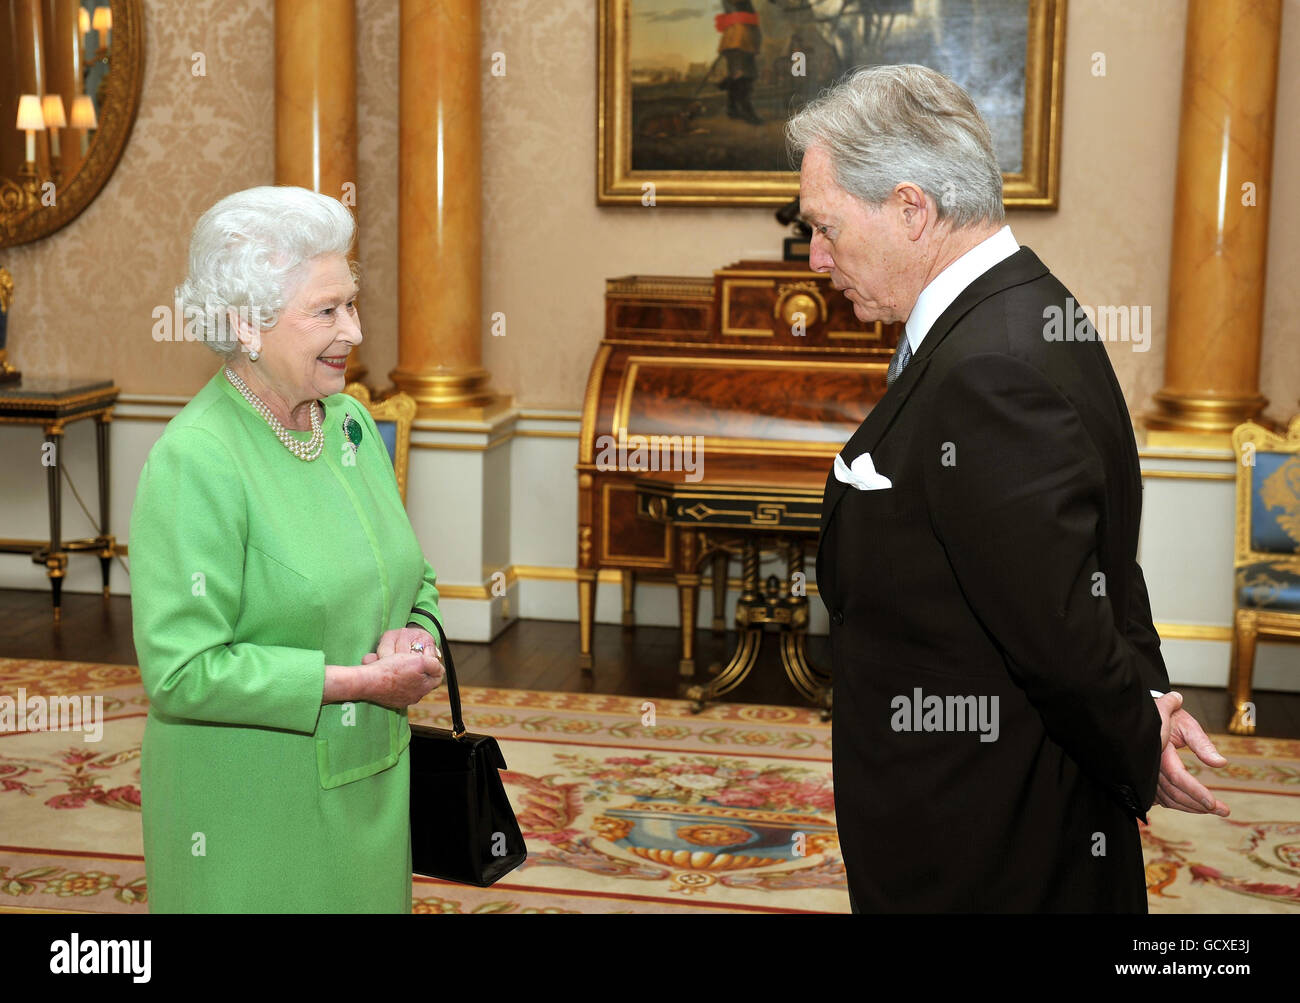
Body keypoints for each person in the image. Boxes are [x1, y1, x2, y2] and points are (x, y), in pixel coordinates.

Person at [786, 65, 1230, 913]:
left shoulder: (989, 368)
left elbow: (1056, 630)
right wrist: (1149, 694)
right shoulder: (1021, 307)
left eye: (827, 226)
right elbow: (1093, 566)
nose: (817, 257)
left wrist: (1140, 733)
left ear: (912, 208)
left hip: (979, 831)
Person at [130, 186, 445, 912]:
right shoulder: (197, 459)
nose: (354, 331)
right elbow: (182, 671)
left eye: (352, 304)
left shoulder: (349, 425)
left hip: (369, 775)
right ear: (246, 324)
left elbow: (413, 577)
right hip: (250, 808)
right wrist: (357, 683)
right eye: (327, 311)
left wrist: (415, 635)